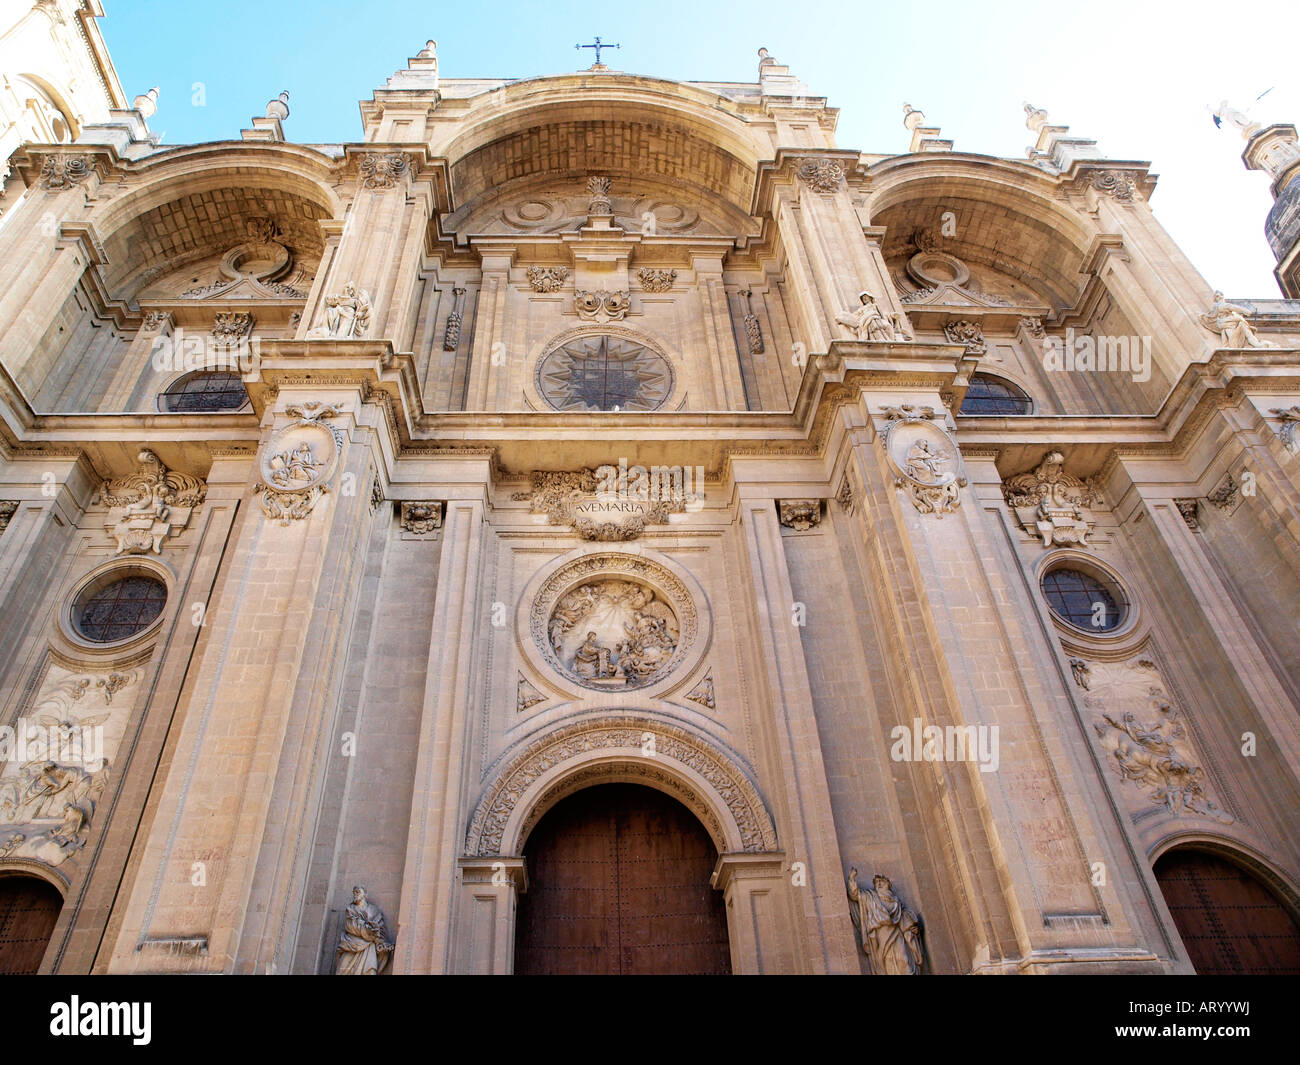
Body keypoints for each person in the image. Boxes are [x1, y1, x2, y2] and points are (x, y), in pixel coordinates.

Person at [847, 868, 924, 974]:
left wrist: (912, 928)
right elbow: (856, 895)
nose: (878, 884)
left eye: (881, 881)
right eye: (876, 883)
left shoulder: (897, 902)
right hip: (881, 936)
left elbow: (905, 919)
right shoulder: (871, 897)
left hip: (896, 934)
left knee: (903, 958)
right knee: (888, 960)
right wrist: (851, 879)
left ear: (888, 884)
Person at [335, 886, 393, 975]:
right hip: (351, 944)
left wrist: (380, 942)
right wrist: (367, 930)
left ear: (365, 895)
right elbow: (350, 925)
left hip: (369, 947)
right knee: (342, 970)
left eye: (358, 892)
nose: (355, 894)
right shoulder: (350, 909)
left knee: (369, 971)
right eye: (354, 892)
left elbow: (379, 930)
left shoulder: (374, 911)